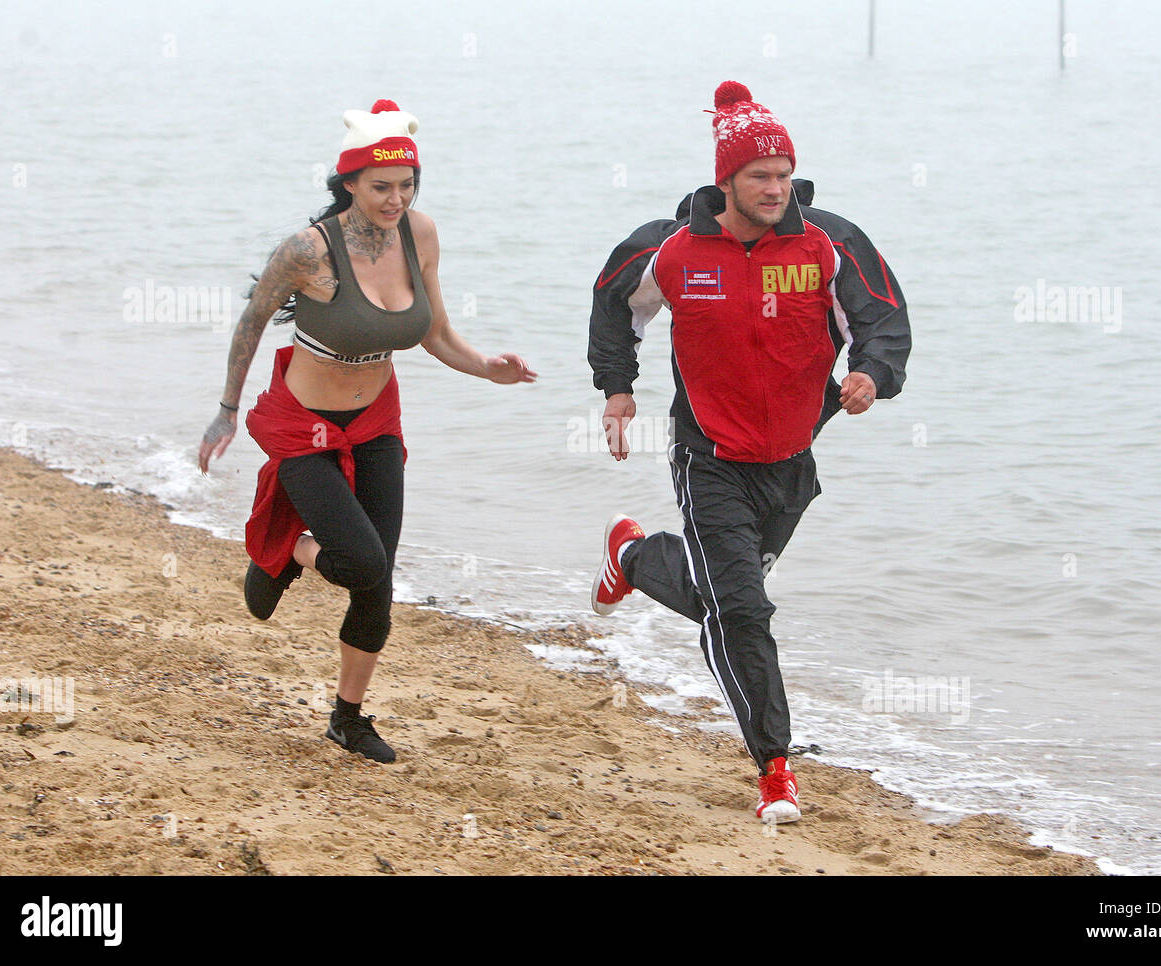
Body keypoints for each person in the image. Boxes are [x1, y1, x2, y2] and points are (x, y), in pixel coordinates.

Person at [587, 82, 910, 823]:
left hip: (792, 458)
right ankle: (775, 768)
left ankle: (632, 559)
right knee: (741, 610)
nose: (774, 187)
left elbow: (883, 317)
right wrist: (617, 387)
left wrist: (871, 376)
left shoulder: (827, 243)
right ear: (725, 179)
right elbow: (615, 301)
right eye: (759, 175)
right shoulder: (671, 249)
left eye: (783, 173)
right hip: (709, 455)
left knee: (720, 599)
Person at [198, 99, 535, 764]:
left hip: (377, 420)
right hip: (305, 426)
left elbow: (435, 333)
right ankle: (286, 544)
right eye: (381, 187)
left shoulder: (421, 235)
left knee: (378, 583)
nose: (396, 199)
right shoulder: (307, 251)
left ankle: (347, 719)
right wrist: (228, 410)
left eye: (408, 185)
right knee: (359, 561)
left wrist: (486, 368)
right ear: (347, 181)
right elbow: (252, 323)